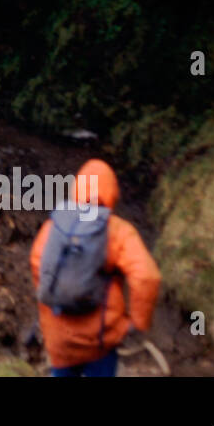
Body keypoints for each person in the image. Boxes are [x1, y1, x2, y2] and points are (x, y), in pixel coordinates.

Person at [29, 159, 161, 377]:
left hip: (58, 337)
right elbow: (146, 277)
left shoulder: (55, 225)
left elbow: (38, 264)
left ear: (77, 187)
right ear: (112, 191)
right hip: (99, 340)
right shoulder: (118, 231)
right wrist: (137, 322)